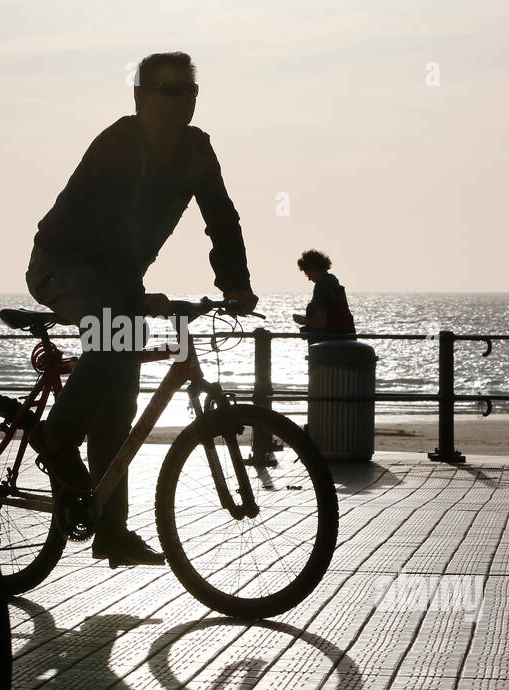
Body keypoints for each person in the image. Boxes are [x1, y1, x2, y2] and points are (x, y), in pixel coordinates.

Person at [24, 51, 257, 567]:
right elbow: (109, 231)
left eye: (191, 91)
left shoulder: (197, 151)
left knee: (120, 400)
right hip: (61, 265)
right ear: (140, 97)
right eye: (170, 91)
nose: (184, 100)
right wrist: (133, 296)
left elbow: (222, 217)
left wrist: (236, 285)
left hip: (116, 277)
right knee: (113, 340)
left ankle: (112, 531)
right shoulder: (119, 143)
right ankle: (55, 439)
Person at [293, 249, 355, 342]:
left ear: (313, 269)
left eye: (307, 274)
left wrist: (302, 320)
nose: (309, 279)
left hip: (326, 345)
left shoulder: (321, 286)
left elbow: (321, 323)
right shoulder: (332, 281)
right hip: (340, 340)